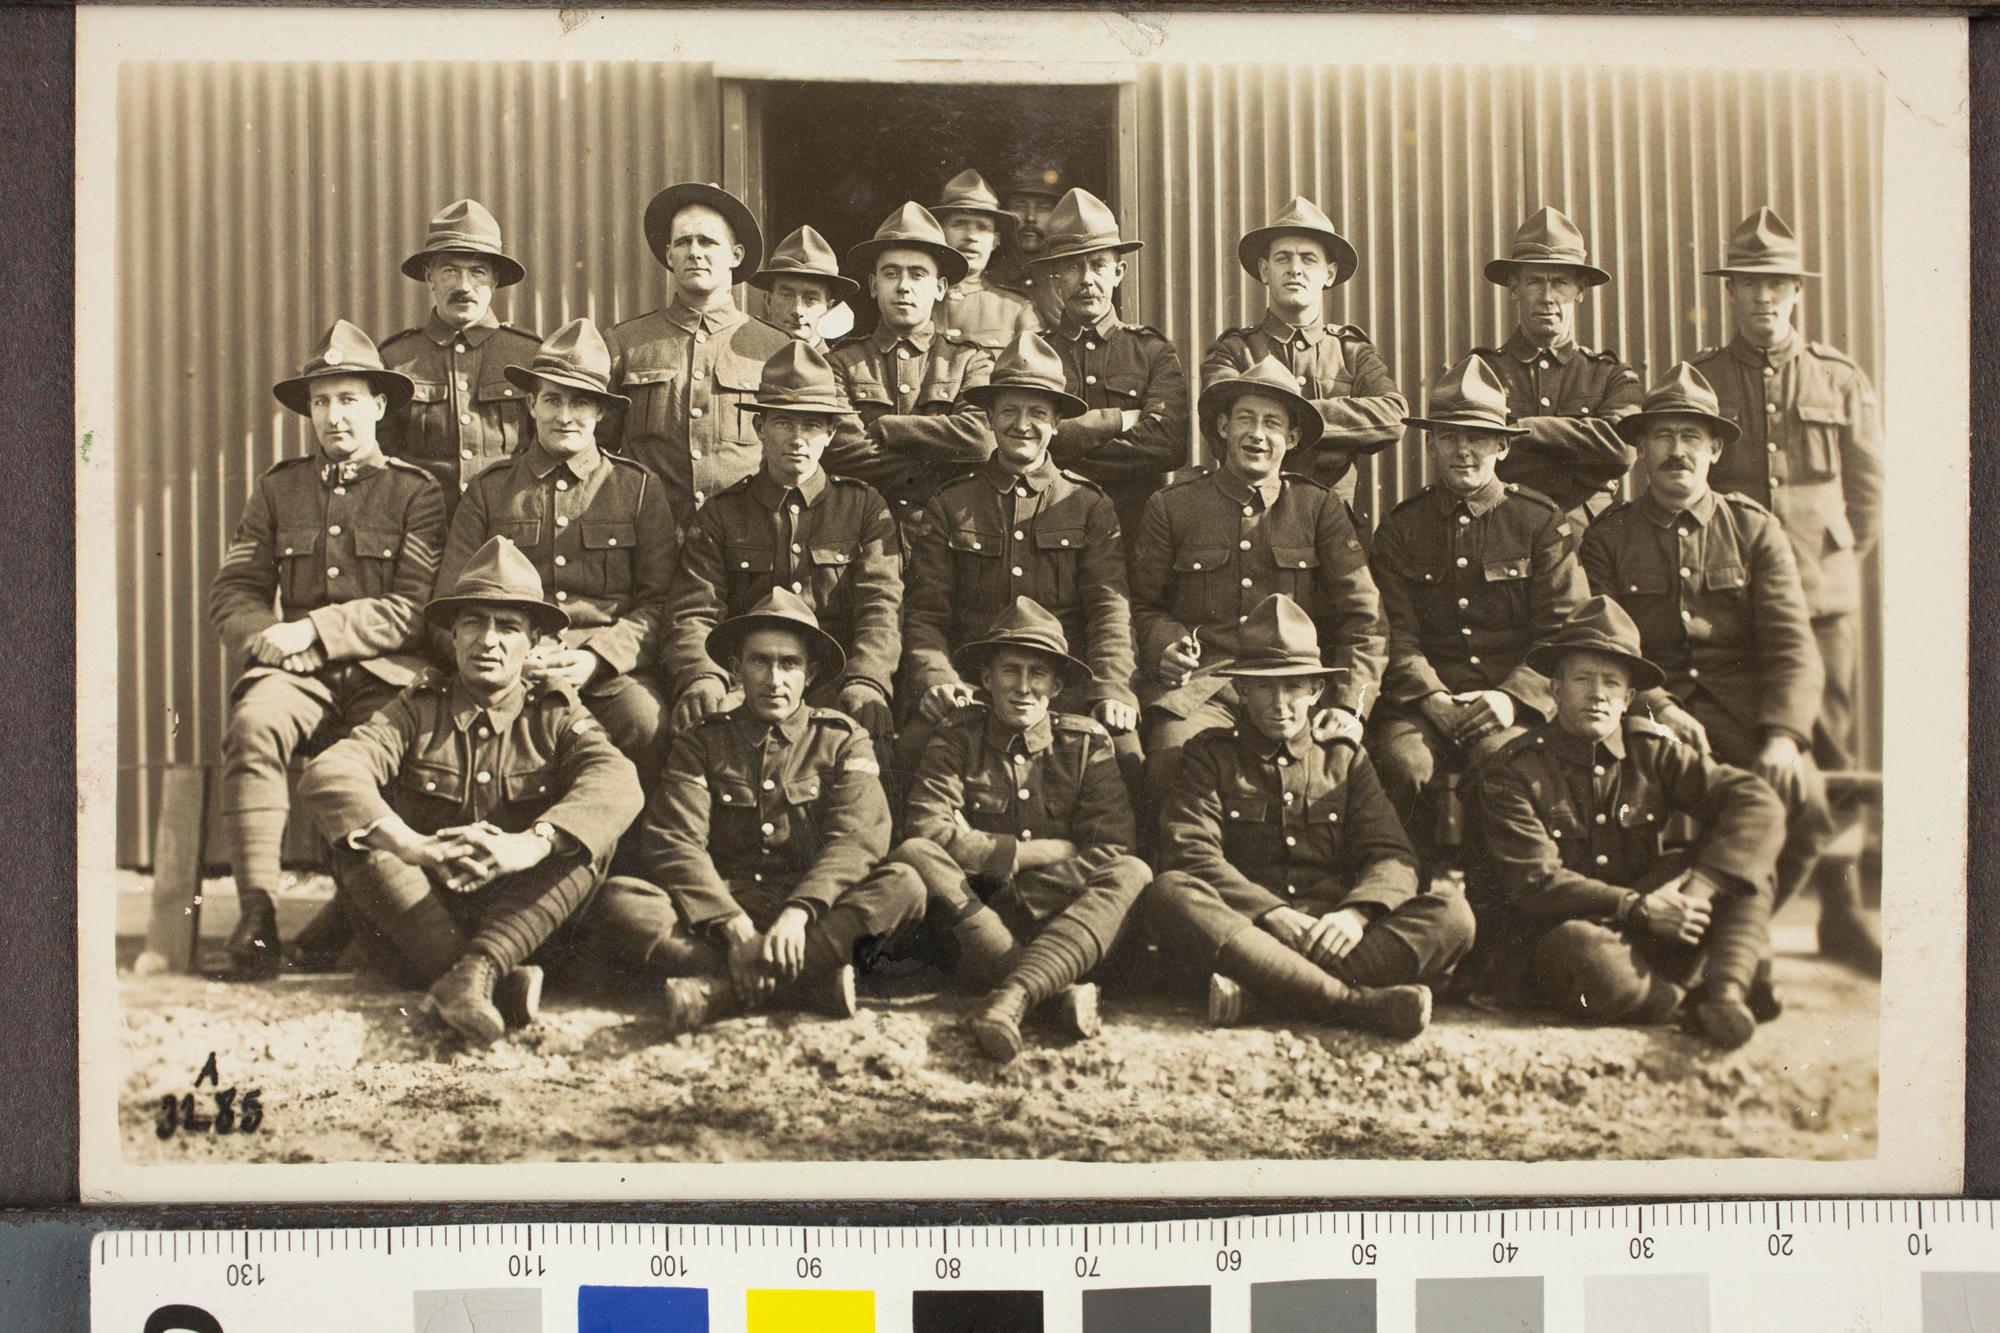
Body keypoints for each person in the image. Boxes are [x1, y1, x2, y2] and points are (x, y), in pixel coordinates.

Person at [297, 537, 644, 1043]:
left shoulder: (554, 711)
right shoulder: (417, 707)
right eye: (474, 624)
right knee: (358, 840)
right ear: (453, 637)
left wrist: (526, 846)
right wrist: (409, 844)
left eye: (508, 628)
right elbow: (333, 772)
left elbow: (616, 782)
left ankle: (477, 971)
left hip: (518, 926)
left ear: (534, 645)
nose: (489, 641)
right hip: (420, 926)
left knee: (587, 839)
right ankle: (476, 979)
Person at [1581, 361, 1831, 1014]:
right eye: (1662, 436)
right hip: (1650, 716)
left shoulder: (1753, 529)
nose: (1677, 451)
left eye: (1692, 436)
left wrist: (1781, 736)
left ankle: (1728, 944)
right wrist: (1654, 704)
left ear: (1715, 448)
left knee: (1803, 797)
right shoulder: (1609, 536)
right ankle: (1737, 967)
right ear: (1641, 448)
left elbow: (1791, 643)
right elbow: (1607, 645)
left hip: (1742, 715)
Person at [207, 320, 446, 978]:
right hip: (297, 672)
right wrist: (271, 642)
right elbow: (235, 591)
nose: (334, 415)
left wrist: (314, 630)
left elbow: (414, 609)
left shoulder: (415, 493)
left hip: (380, 669)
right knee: (254, 726)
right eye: (321, 401)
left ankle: (355, 913)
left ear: (378, 405)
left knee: (397, 748)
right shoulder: (278, 488)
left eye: (348, 399)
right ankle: (257, 916)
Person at [581, 590, 926, 1032]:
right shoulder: (701, 741)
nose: (774, 679)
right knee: (620, 901)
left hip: (813, 915)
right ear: (736, 669)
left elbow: (857, 839)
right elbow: (675, 840)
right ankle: (806, 983)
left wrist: (800, 912)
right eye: (760, 662)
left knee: (905, 886)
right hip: (724, 910)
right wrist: (732, 925)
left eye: (789, 664)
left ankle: (724, 989)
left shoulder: (842, 738)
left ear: (811, 673)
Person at [1691, 205, 1883, 973]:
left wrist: (1832, 555)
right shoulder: (1703, 378)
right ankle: (1745, 908)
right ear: (1730, 293)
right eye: (1747, 285)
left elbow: (1868, 491)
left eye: (1775, 285)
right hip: (1735, 596)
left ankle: (1840, 906)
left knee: (1829, 747)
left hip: (1820, 591)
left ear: (1795, 294)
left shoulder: (1838, 376)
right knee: (1745, 741)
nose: (1762, 299)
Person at [1142, 594, 1472, 1040]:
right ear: (1241, 689)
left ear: (1317, 690)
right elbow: (1191, 852)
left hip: (1328, 931)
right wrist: (1271, 913)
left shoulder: (1343, 760)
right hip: (1248, 932)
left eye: (1294, 686)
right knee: (1171, 893)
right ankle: (1349, 1003)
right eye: (1264, 686)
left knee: (1453, 914)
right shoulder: (1209, 756)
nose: (1280, 703)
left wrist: (1354, 915)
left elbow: (1392, 856)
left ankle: (1263, 995)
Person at [1478, 597, 1784, 1049]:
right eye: (1582, 679)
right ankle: (1687, 1001)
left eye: (1612, 683)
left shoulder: (1650, 751)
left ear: (1628, 699)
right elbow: (1535, 883)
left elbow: (1756, 801)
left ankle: (1724, 995)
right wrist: (1637, 907)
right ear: (1556, 689)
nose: (1597, 693)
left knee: (1743, 863)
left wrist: (1697, 888)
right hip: (1557, 937)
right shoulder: (1515, 768)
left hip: (1650, 931)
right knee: (1585, 955)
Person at [889, 598, 1151, 1062]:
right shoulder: (956, 736)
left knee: (1132, 871)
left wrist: (993, 864)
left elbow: (1111, 848)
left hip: (1063, 920)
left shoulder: (1085, 744)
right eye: (1011, 671)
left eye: (1038, 674)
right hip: (978, 921)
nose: (1024, 688)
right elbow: (929, 830)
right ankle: (1049, 993)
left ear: (1057, 684)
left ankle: (1012, 996)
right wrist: (1040, 853)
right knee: (913, 854)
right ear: (986, 680)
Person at [1129, 358, 1386, 795]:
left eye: (1272, 423)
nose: (1258, 434)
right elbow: (1139, 604)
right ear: (1224, 427)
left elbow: (1365, 619)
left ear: (1293, 437)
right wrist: (1164, 643)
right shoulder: (1173, 506)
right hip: (1204, 689)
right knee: (1171, 764)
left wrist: (1350, 705)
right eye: (1245, 419)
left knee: (1334, 775)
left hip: (1293, 694)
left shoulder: (1318, 508)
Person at [438, 318, 677, 782]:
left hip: (606, 670)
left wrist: (597, 657)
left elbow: (661, 601)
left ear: (601, 413)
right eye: (552, 399)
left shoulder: (638, 489)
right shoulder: (490, 491)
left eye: (580, 402)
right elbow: (449, 602)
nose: (565, 416)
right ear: (531, 404)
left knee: (646, 724)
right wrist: (512, 655)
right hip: (509, 666)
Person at [1367, 356, 1586, 856]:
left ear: (1503, 446)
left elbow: (1563, 636)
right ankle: (1408, 895)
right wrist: (1431, 697)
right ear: (1430, 445)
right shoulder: (1403, 527)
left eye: (1478, 438)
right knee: (1403, 766)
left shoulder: (1539, 524)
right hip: (1425, 706)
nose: (1463, 451)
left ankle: (1501, 913)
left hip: (1514, 704)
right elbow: (1392, 633)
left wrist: (1511, 697)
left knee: (1503, 762)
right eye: (1449, 437)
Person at [900, 332, 1138, 787]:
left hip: (1064, 685)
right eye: (1009, 411)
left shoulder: (1087, 505)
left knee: (1126, 757)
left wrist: (1110, 688)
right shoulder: (952, 503)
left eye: (1037, 413)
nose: (1022, 425)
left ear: (1055, 424)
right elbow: (926, 612)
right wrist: (936, 677)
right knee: (909, 751)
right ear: (989, 418)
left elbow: (1110, 612)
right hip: (974, 687)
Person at [661, 341, 902, 760]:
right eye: (783, 424)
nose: (797, 439)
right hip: (747, 682)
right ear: (759, 429)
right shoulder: (722, 513)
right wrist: (704, 675)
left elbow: (881, 609)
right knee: (698, 732)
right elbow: (694, 610)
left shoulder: (863, 507)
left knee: (868, 734)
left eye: (811, 426)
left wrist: (866, 679)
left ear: (830, 434)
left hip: (833, 679)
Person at [604, 181, 791, 521]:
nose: (694, 252)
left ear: (736, 255)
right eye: (683, 242)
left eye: (707, 241)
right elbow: (600, 449)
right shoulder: (626, 343)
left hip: (747, 539)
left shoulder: (775, 348)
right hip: (653, 540)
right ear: (668, 255)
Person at [1202, 196, 1406, 504]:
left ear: (1330, 273)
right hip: (1250, 519)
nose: (1295, 269)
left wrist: (1293, 419)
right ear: (1264, 270)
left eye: (1308, 259)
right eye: (1283, 258)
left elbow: (1393, 417)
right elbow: (1218, 419)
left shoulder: (1352, 352)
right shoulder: (1233, 350)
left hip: (1332, 523)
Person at [823, 201, 996, 536]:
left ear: (940, 288)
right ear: (874, 286)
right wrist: (941, 467)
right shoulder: (841, 362)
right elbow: (841, 452)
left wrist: (889, 427)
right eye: (891, 273)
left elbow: (982, 441)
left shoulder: (968, 360)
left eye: (918, 274)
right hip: (861, 534)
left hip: (949, 536)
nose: (904, 286)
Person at [1027, 187, 1189, 539]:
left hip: (1135, 530)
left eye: (1099, 265)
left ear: (1118, 272)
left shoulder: (1152, 351)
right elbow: (1024, 441)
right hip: (1053, 530)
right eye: (1072, 266)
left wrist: (1065, 445)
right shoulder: (1036, 356)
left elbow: (1169, 446)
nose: (1087, 279)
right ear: (1055, 278)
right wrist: (1119, 421)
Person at [1469, 206, 1643, 527]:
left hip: (1589, 540)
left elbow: (1621, 450)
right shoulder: (1481, 372)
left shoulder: (1611, 375)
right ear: (1514, 288)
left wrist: (1521, 428)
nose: (1547, 297)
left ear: (1580, 291)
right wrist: (1584, 452)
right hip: (1507, 530)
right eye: (1535, 281)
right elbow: (1474, 451)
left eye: (1560, 282)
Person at [378, 199, 542, 515]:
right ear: (429, 277)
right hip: (424, 528)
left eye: (477, 272)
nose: (463, 286)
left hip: (509, 523)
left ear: (494, 280)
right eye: (450, 270)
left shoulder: (528, 354)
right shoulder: (396, 359)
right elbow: (383, 460)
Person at [931, 169, 1041, 350]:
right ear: (940, 233)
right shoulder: (916, 302)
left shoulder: (1017, 309)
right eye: (960, 224)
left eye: (982, 227)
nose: (971, 236)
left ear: (995, 241)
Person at [748, 224, 857, 352]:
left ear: (829, 308)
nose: (798, 310)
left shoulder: (839, 369)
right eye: (787, 296)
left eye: (810, 299)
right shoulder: (747, 365)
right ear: (768, 301)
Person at [985, 158, 1066, 326]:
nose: (1030, 218)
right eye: (1020, 206)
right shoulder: (987, 277)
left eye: (1043, 208)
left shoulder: (1068, 279)